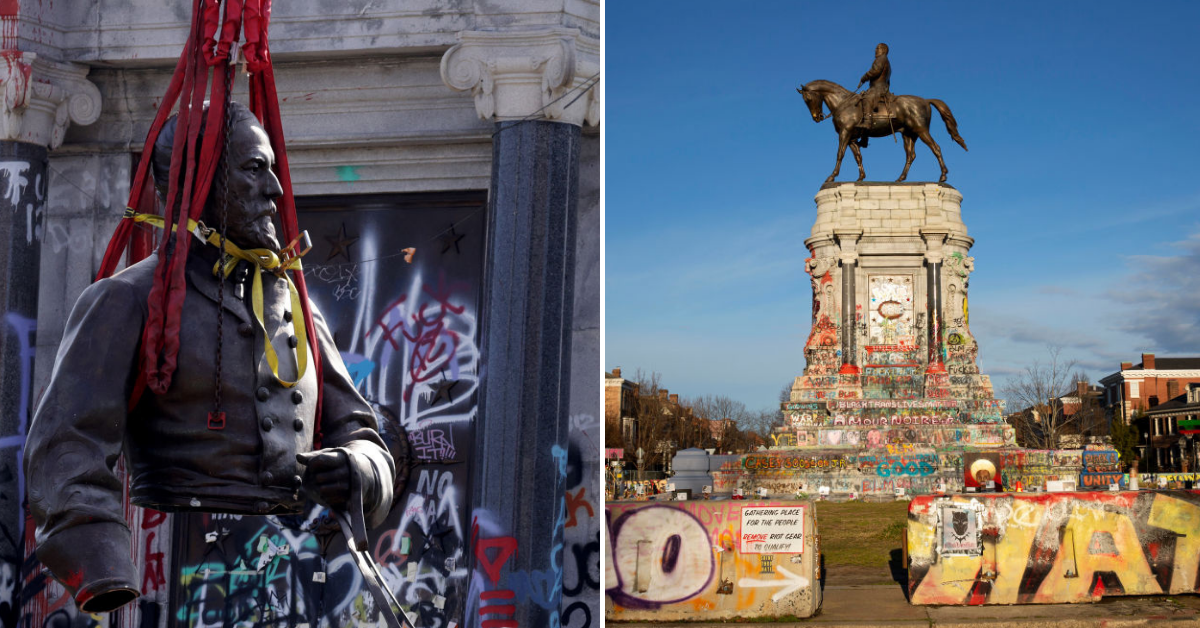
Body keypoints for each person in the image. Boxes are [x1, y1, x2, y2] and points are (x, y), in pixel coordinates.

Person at [23, 102, 397, 613]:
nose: (276, 191)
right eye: (254, 170)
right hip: (179, 560)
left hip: (297, 566)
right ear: (199, 183)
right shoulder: (128, 298)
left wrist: (358, 469)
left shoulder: (296, 304)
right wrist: (105, 566)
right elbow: (65, 446)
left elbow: (362, 432)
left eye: (272, 170)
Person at [856, 43, 892, 131]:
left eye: (877, 48)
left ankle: (867, 122)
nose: (875, 50)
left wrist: (864, 77)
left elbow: (875, 71)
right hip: (881, 87)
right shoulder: (886, 61)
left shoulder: (881, 59)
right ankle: (864, 138)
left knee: (866, 98)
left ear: (883, 50)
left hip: (878, 88)